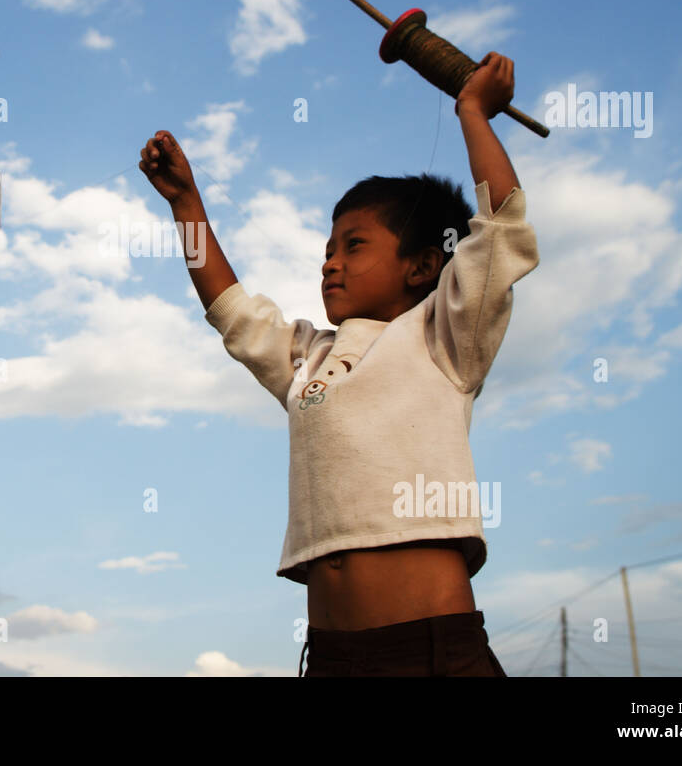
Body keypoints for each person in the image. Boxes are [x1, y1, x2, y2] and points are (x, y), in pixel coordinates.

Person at [139, 53, 539, 676]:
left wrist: (471, 111)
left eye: (355, 245)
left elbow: (501, 231)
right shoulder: (311, 358)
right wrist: (186, 205)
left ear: (423, 266)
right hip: (332, 660)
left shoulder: (446, 335)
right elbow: (232, 312)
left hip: (432, 652)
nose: (330, 263)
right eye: (328, 249)